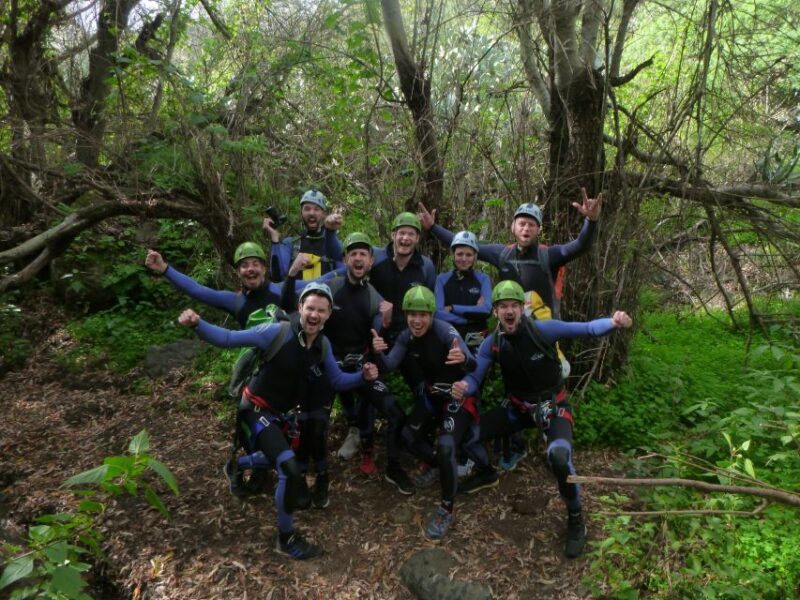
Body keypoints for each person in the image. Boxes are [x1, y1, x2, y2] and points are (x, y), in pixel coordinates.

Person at [177, 283, 379, 560]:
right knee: (289, 468)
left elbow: (337, 380)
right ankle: (286, 539)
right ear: (300, 308)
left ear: (329, 314)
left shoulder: (322, 344)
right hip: (255, 410)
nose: (314, 315)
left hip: (282, 417)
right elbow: (227, 338)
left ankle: (238, 465)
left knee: (282, 460)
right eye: (310, 308)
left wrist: (363, 378)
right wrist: (197, 324)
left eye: (321, 310)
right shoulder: (277, 333)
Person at [419, 189, 601, 469]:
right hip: (510, 333)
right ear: (513, 226)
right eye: (522, 223)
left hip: (542, 336)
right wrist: (433, 229)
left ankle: (552, 434)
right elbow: (467, 243)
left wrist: (591, 221)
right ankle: (516, 444)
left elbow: (578, 247)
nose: (526, 228)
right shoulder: (501, 254)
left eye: (531, 224)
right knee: (512, 385)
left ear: (539, 229)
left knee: (545, 383)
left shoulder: (548, 256)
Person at [451, 280, 633, 558]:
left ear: (522, 308)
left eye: (513, 305)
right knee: (469, 435)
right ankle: (487, 473)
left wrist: (613, 321)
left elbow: (586, 329)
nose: (509, 311)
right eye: (503, 307)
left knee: (559, 459)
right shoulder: (493, 343)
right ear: (495, 311)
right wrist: (465, 385)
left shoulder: (543, 330)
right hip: (518, 409)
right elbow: (476, 376)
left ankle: (575, 518)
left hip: (553, 407)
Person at [281, 233, 415, 494]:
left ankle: (392, 466)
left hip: (359, 366)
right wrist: (291, 274)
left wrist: (384, 326)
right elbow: (290, 303)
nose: (357, 258)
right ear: (344, 259)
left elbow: (378, 335)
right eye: (352, 253)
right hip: (326, 365)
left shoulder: (374, 296)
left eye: (363, 253)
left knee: (395, 412)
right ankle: (317, 476)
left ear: (370, 261)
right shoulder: (331, 284)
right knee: (314, 425)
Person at [371, 286, 493, 540]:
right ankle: (440, 465)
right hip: (432, 395)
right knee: (406, 435)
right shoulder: (406, 336)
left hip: (457, 397)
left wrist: (463, 360)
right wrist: (378, 350)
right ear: (405, 315)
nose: (417, 320)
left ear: (432, 315)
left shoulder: (445, 331)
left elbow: (473, 366)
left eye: (423, 314)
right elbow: (390, 365)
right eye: (412, 314)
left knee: (447, 446)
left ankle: (447, 508)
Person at [145, 242, 294, 328]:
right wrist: (165, 269)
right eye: (244, 265)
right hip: (257, 366)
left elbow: (316, 283)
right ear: (237, 272)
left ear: (264, 269)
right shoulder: (235, 301)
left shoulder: (282, 289)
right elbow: (197, 290)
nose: (250, 269)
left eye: (256, 264)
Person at [369, 212, 436, 344]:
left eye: (411, 234)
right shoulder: (375, 257)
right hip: (376, 331)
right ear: (393, 235)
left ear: (417, 238)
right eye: (402, 233)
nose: (405, 238)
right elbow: (346, 259)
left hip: (411, 334)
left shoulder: (426, 266)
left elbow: (432, 304)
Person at [264, 189, 344, 282]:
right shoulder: (291, 243)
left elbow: (343, 273)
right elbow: (277, 277)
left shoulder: (333, 243)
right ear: (301, 213)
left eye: (316, 209)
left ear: (323, 214)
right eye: (307, 209)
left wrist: (330, 231)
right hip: (297, 296)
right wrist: (274, 238)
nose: (311, 213)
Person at [434, 230, 492, 353]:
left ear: (475, 256)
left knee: (478, 370)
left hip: (478, 338)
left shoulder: (483, 279)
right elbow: (438, 313)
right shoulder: (442, 279)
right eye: (459, 254)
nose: (464, 259)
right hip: (450, 338)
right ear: (453, 255)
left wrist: (453, 308)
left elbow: (486, 310)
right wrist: (470, 318)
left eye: (469, 254)